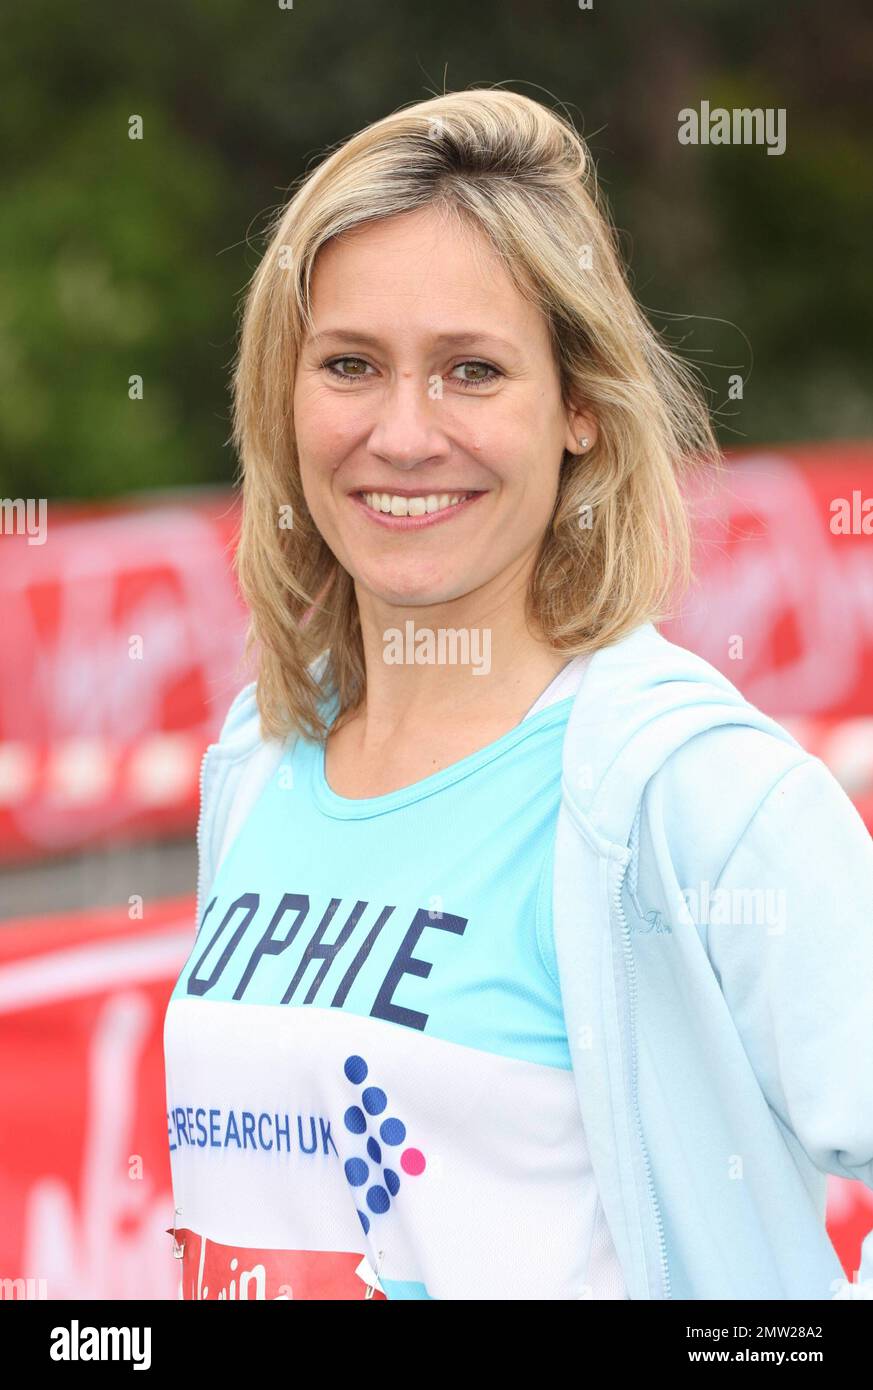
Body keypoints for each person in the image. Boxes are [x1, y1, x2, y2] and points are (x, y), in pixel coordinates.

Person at [163, 87, 873, 1301]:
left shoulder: (689, 791)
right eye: (350, 365)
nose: (401, 433)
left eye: (472, 372)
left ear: (580, 407)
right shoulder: (259, 759)